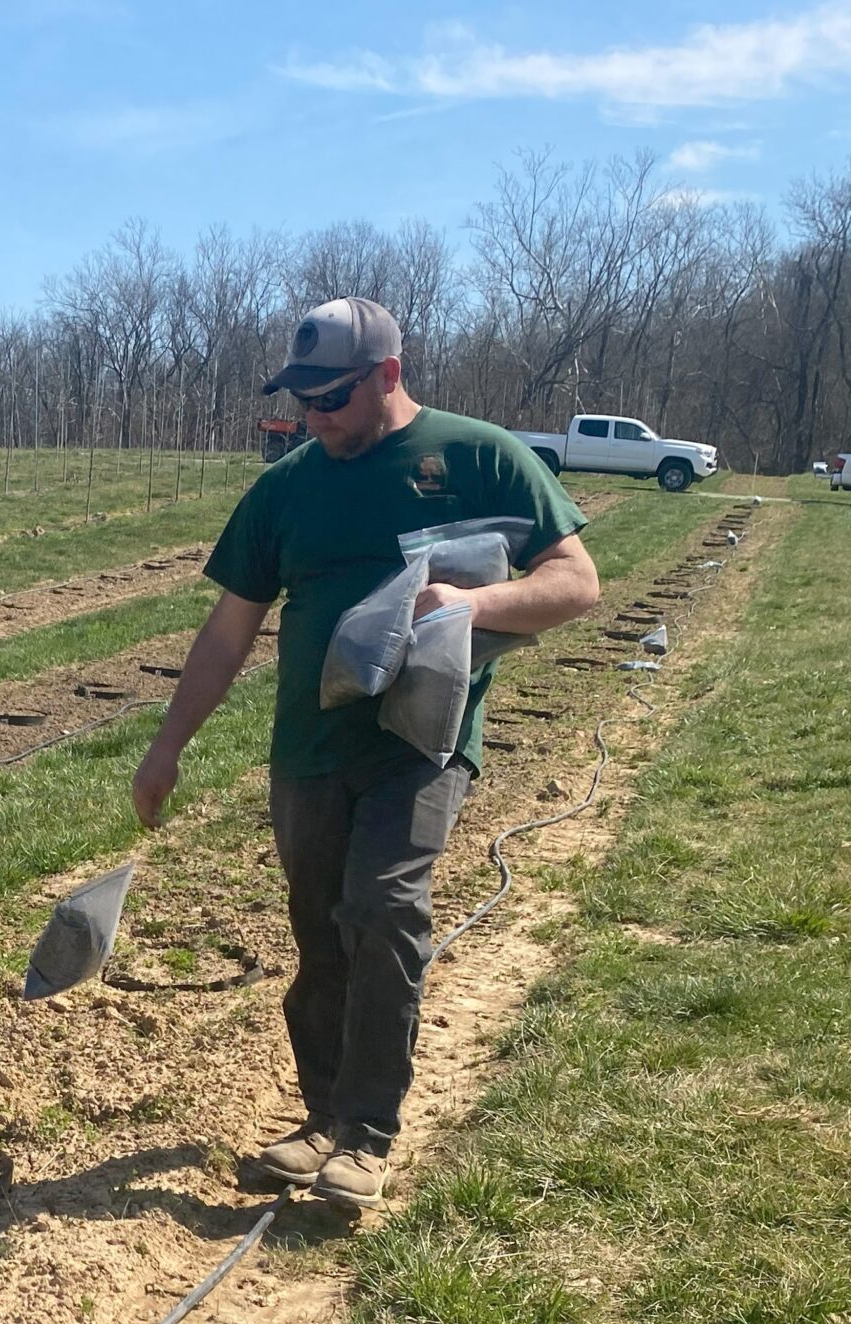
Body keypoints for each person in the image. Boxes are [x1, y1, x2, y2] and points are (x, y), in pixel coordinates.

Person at [131, 298, 598, 1208]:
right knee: (321, 932)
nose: (315, 419)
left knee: (383, 906)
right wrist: (167, 746)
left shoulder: (481, 457)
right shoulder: (287, 487)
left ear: (388, 374)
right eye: (302, 401)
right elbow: (228, 632)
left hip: (418, 742)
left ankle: (370, 1134)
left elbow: (575, 583)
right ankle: (323, 1120)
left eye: (332, 399)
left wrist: (469, 606)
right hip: (307, 748)